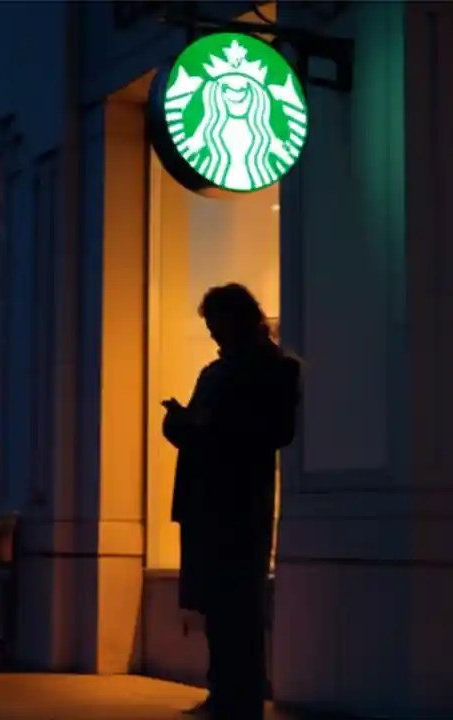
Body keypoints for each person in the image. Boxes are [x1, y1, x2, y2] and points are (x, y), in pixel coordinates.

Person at [164, 283, 300, 720]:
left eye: (216, 323)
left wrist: (196, 427)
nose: (211, 334)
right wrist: (184, 424)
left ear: (237, 319)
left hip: (236, 503)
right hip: (211, 501)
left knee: (237, 605)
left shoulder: (270, 369)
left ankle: (238, 696)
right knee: (220, 607)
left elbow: (270, 432)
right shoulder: (222, 370)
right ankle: (225, 692)